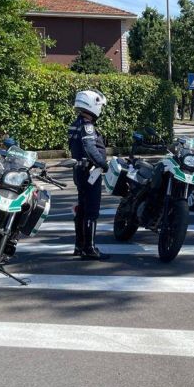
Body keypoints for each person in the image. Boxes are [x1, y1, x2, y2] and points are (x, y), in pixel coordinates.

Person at [68, 89, 110, 260]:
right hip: (89, 171)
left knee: (82, 209)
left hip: (79, 170)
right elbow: (90, 148)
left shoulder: (75, 123)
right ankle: (89, 248)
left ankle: (79, 246)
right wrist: (103, 164)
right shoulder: (87, 126)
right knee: (91, 210)